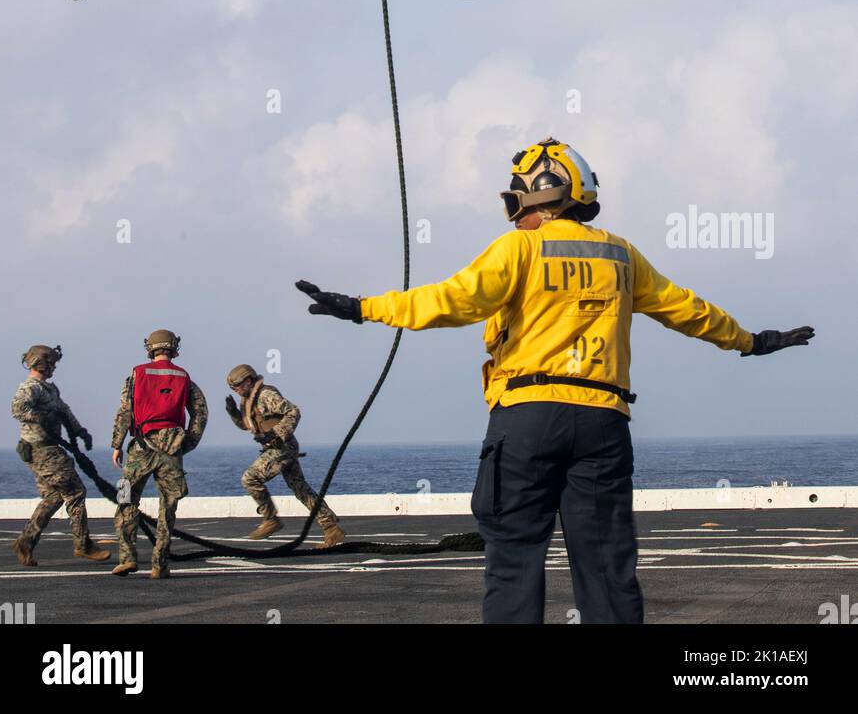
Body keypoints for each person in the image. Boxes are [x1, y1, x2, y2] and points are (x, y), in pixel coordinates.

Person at [297, 137, 814, 625]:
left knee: (514, 560)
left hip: (528, 418)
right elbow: (687, 309)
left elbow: (450, 300)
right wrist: (750, 341)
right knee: (609, 566)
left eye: (515, 198)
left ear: (539, 195)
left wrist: (364, 308)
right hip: (603, 424)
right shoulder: (622, 255)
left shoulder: (519, 249)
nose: (513, 211)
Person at [110, 328, 208, 579]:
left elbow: (125, 411)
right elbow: (201, 411)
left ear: (150, 348)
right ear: (174, 347)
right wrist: (188, 442)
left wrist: (116, 444)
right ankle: (160, 564)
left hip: (140, 448)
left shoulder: (137, 373)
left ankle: (127, 558)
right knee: (168, 507)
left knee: (125, 499)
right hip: (173, 449)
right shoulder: (183, 376)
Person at [11, 344, 110, 567]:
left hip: (44, 450)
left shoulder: (49, 390)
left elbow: (64, 411)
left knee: (54, 497)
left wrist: (79, 431)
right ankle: (83, 544)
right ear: (41, 363)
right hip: (42, 451)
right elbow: (18, 409)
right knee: (75, 492)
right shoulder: (30, 388)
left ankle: (25, 542)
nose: (54, 367)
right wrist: (40, 418)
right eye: (51, 362)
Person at [225, 364, 345, 547]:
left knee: (250, 478)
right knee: (301, 489)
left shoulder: (265, 395)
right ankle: (331, 528)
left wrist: (276, 433)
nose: (237, 391)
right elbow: (249, 425)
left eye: (239, 386)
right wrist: (234, 414)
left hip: (281, 447)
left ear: (249, 381)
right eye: (234, 389)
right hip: (278, 447)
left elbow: (293, 411)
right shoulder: (249, 399)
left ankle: (270, 519)